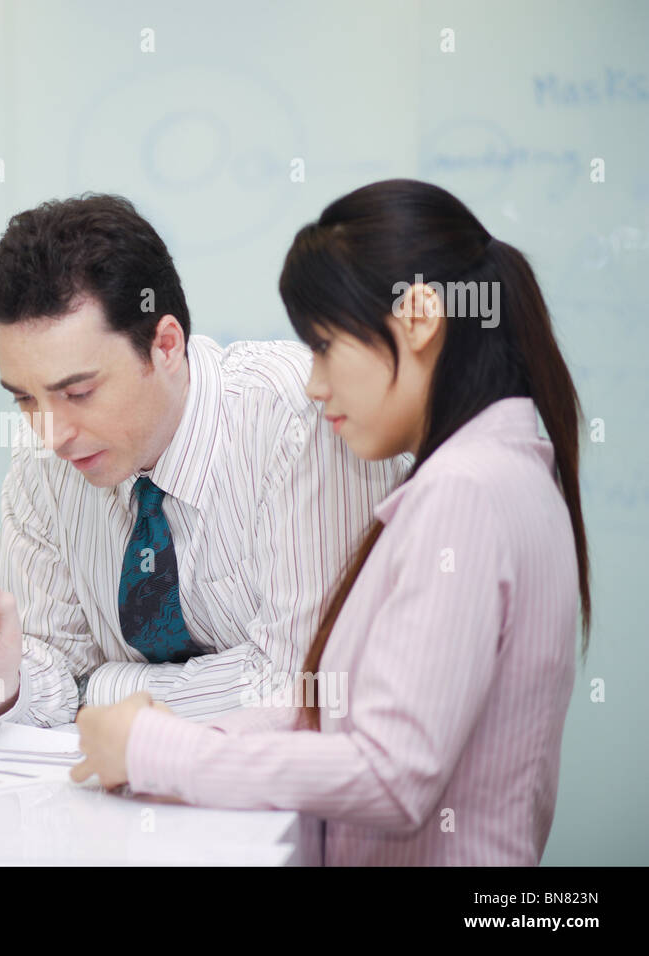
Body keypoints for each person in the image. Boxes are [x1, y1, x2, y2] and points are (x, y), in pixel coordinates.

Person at [71, 179, 593, 866]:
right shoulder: (500, 469)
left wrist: (154, 749)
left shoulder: (465, 493)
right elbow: (345, 718)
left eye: (323, 347)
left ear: (418, 321)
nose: (315, 386)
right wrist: (176, 736)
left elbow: (391, 773)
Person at [0, 194, 405, 732]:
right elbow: (48, 671)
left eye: (79, 392)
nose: (52, 433)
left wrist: (98, 687)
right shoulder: (42, 458)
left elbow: (303, 685)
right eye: (25, 399)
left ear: (166, 344)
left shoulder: (300, 418)